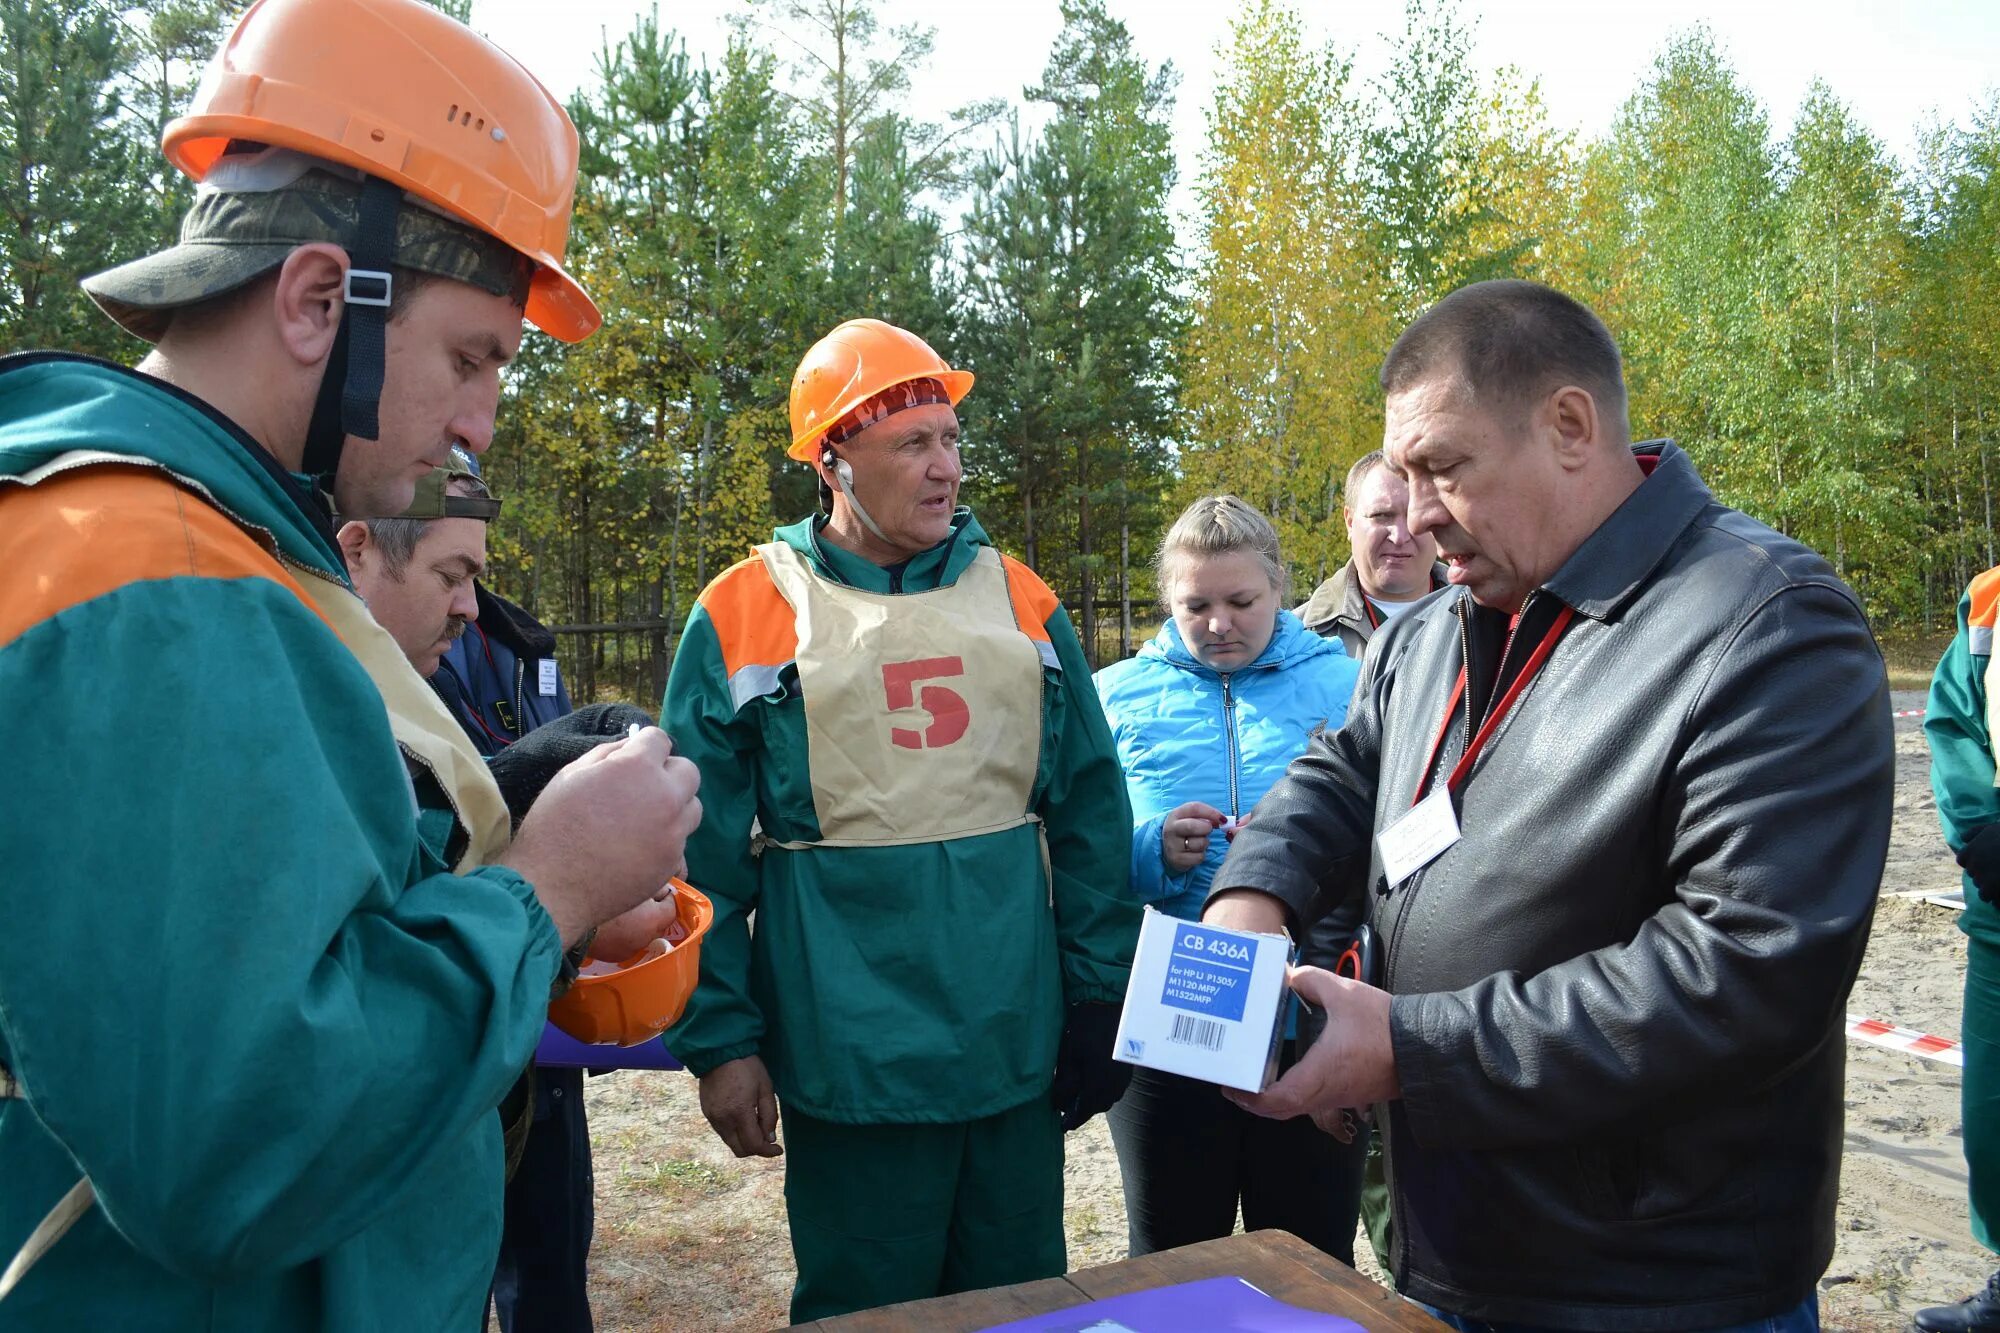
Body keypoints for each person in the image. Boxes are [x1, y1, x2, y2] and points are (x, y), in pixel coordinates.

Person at [0, 1, 702, 1327]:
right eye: (473, 358)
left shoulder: (217, 550)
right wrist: (542, 894)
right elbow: (237, 1144)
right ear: (324, 298)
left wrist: (504, 881)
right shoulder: (145, 585)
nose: (480, 427)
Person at [1203, 279, 1892, 1330]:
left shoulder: (1765, 622)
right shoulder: (1430, 628)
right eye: (1403, 475)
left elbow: (1746, 970)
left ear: (1568, 426)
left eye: (1443, 467)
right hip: (1448, 1245)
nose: (1417, 513)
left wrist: (1408, 1049)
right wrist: (1252, 896)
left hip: (1652, 1284)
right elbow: (1342, 775)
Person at [663, 318, 1140, 1322]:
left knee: (1015, 1307)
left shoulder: (1018, 601)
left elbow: (1091, 809)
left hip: (1012, 1049)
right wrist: (721, 1042)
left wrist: (1100, 996)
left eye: (951, 439)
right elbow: (693, 858)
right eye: (912, 444)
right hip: (849, 1060)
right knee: (863, 1312)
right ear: (832, 459)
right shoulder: (746, 610)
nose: (945, 468)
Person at [341, 452, 634, 1333]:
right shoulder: (309, 694)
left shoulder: (512, 647)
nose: (469, 603)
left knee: (550, 1267)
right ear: (357, 551)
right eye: (451, 573)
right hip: (419, 1087)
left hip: (520, 1059)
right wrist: (560, 868)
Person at [1092, 495, 1365, 1263]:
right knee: (1176, 1255)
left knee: (1310, 1258)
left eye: (1242, 600)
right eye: (1196, 604)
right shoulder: (1114, 696)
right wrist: (1151, 852)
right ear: (1167, 602)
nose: (1220, 622)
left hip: (1309, 1011)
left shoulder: (1351, 684)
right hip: (1172, 1027)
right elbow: (1079, 858)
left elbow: (1383, 839)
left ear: (1281, 586)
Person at [1917, 569, 2000, 1333]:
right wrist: (1981, 834)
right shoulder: (1990, 603)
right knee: (1994, 1113)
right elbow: (1954, 721)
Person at [1295, 450, 1445, 658]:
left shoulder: (1488, 620)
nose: (1400, 536)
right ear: (1349, 521)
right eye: (1381, 516)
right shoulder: (1296, 642)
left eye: (1416, 514)